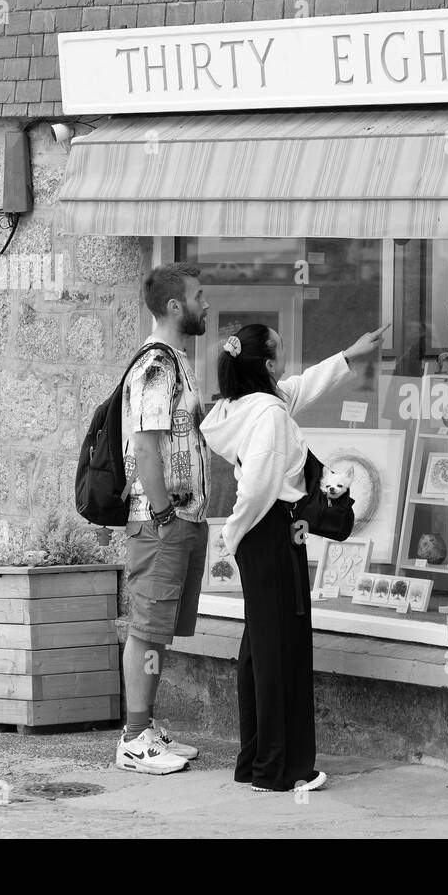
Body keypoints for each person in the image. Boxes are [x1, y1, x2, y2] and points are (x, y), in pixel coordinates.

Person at [201, 322, 386, 792]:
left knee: (260, 651)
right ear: (266, 364)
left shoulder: (245, 406)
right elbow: (259, 485)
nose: (287, 355)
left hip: (262, 537)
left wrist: (349, 354)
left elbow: (302, 386)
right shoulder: (270, 417)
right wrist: (237, 533)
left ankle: (256, 762)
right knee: (281, 650)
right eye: (280, 349)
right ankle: (280, 770)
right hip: (272, 534)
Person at [115, 262, 210, 775]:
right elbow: (146, 447)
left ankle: (146, 726)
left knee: (158, 630)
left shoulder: (178, 361)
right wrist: (165, 514)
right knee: (147, 631)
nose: (206, 303)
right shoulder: (157, 366)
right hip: (160, 521)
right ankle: (134, 738)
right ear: (175, 306)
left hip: (178, 517)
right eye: (199, 295)